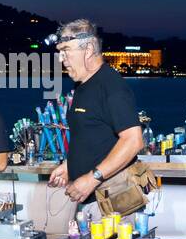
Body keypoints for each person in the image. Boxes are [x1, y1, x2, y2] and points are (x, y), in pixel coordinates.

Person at [47, 19, 144, 206]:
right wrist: (70, 166)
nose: (60, 59)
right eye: (59, 52)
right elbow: (93, 137)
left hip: (115, 202)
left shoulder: (111, 86)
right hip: (90, 199)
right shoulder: (83, 85)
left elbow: (133, 141)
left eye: (66, 50)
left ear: (89, 49)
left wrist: (92, 179)